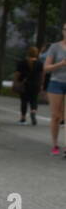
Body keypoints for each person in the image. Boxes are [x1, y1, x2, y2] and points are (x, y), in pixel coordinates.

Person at [44, 25, 66, 154]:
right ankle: (55, 144)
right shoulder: (55, 47)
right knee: (56, 116)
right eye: (65, 29)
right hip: (56, 83)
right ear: (63, 32)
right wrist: (61, 64)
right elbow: (46, 68)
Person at [13, 46, 43, 125]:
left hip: (24, 84)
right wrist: (41, 84)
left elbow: (17, 73)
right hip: (36, 84)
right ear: (36, 54)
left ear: (28, 53)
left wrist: (15, 82)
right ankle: (33, 111)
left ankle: (23, 119)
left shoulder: (22, 62)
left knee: (24, 100)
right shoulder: (40, 63)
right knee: (34, 99)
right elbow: (42, 74)